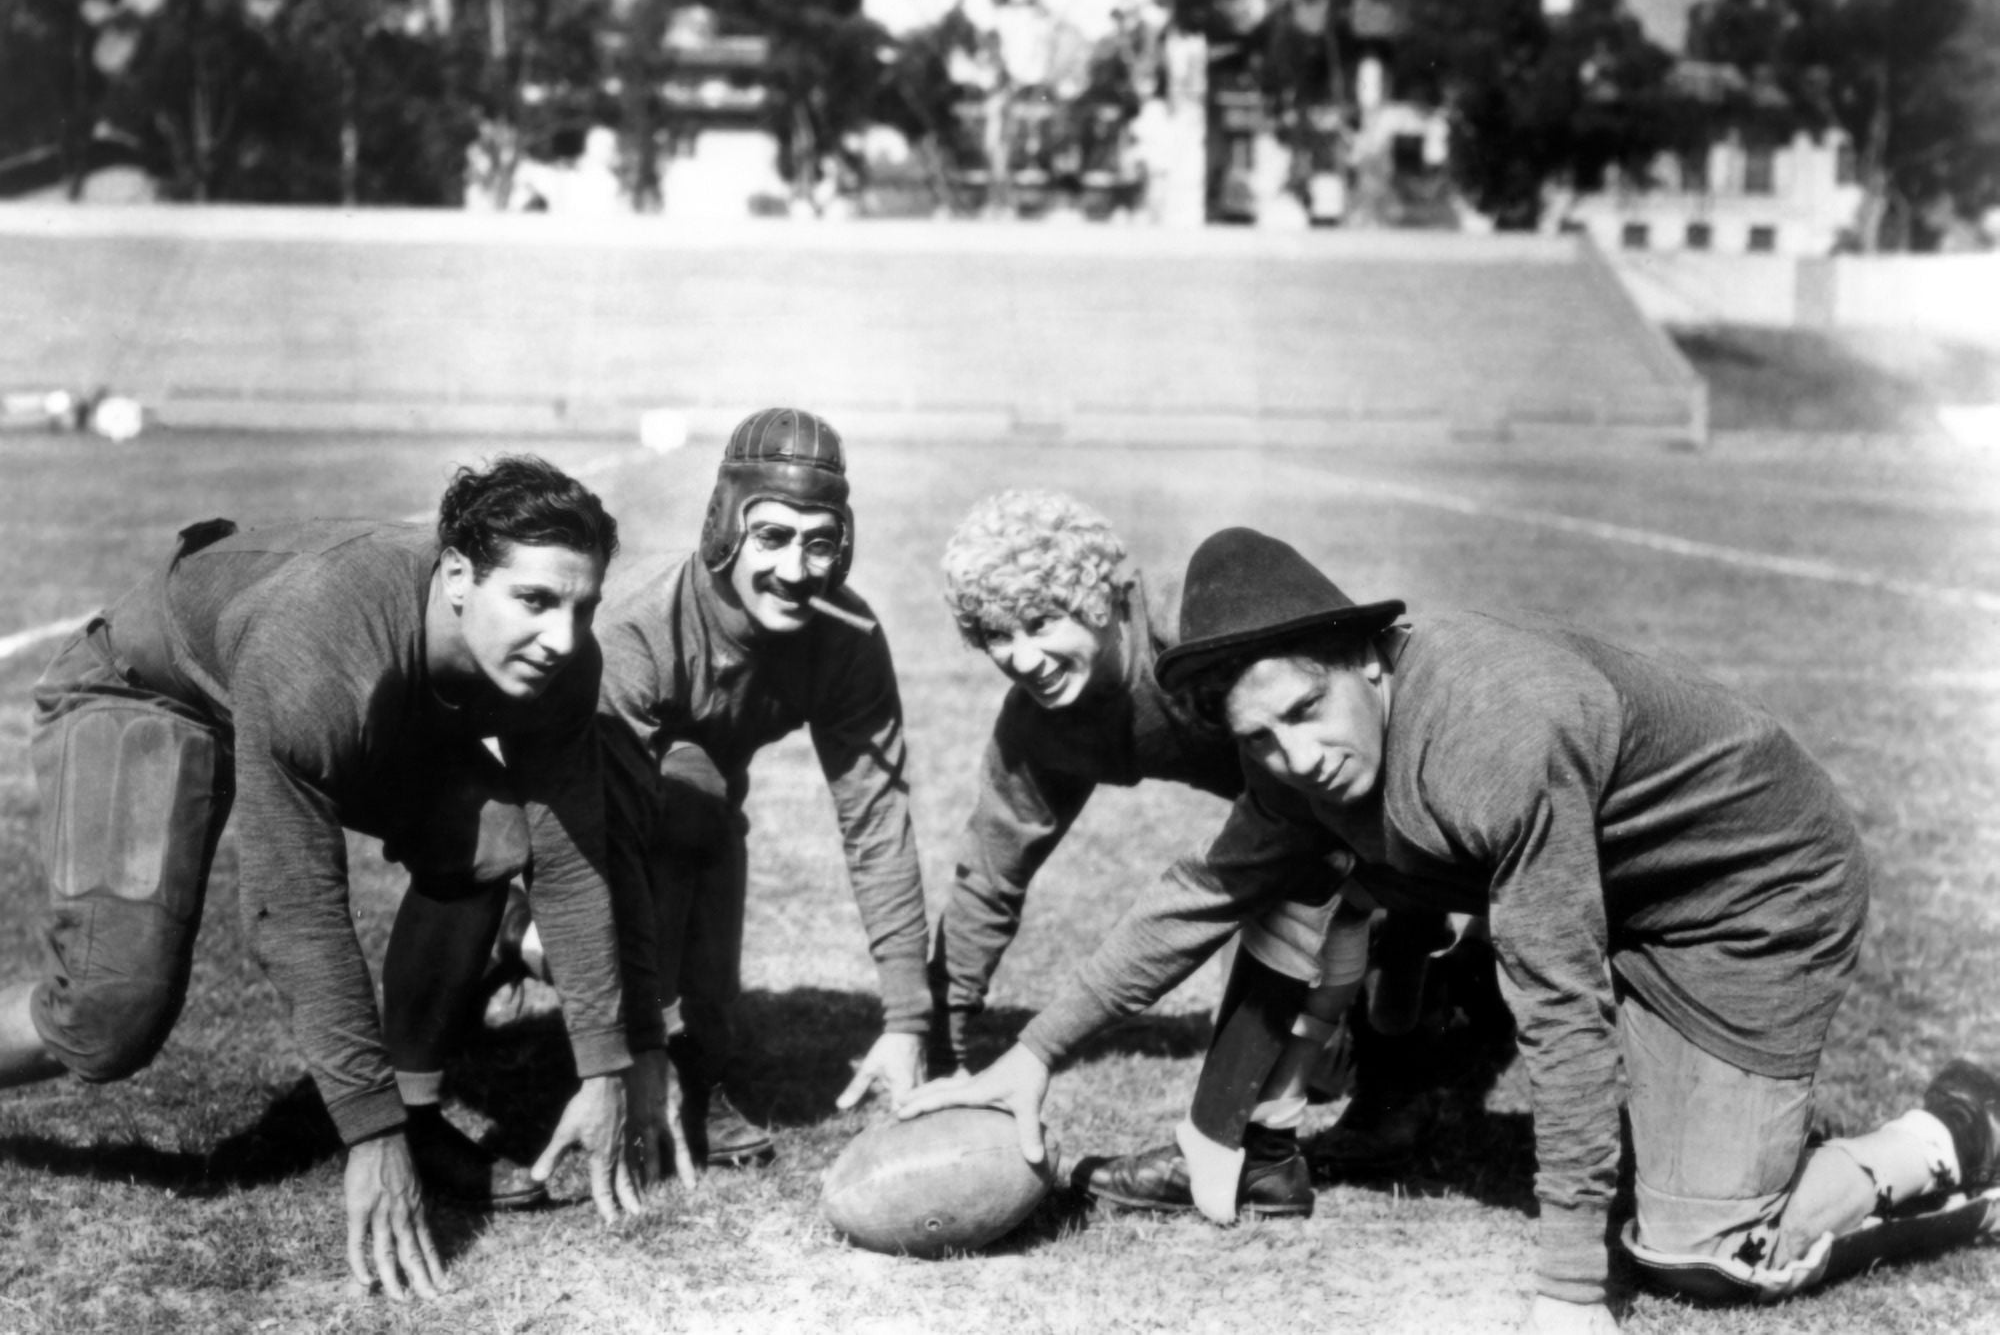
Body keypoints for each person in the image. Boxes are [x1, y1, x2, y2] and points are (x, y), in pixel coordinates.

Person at [903, 525, 2000, 1331]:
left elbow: (1562, 1015)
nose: (1295, 756)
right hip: (1600, 880)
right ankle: (1408, 1099)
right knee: (1387, 919)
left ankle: (1947, 1138)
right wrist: (1031, 1056)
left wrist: (1568, 1290)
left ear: (1367, 659)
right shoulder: (1292, 759)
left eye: (1304, 711)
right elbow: (1190, 899)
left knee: (1696, 1254)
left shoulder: (1492, 736)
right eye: (1260, 738)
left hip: (1744, 896)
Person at [0, 456, 646, 1303]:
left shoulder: (560, 659)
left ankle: (417, 1105)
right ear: (458, 576)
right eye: (534, 601)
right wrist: (363, 1134)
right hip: (152, 694)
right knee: (107, 1017)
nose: (564, 638)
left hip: (336, 697)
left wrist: (604, 1068)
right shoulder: (319, 650)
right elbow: (293, 904)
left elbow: (568, 852)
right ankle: (392, 1121)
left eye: (583, 605)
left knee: (492, 837)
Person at [930, 489, 1471, 1219]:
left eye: (1040, 621)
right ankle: (1309, 1115)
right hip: (1293, 820)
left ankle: (1364, 1091)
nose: (1023, 656)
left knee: (1307, 894)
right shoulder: (1040, 724)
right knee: (1290, 893)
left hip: (1392, 792)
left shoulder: (1204, 632)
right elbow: (990, 874)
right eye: (998, 635)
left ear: (1104, 595)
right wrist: (939, 1042)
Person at [500, 407, 932, 1171]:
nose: (797, 571)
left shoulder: (845, 638)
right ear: (725, 527)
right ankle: (524, 935)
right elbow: (609, 843)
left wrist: (906, 1020)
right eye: (772, 537)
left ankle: (702, 1062)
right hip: (551, 792)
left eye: (821, 542)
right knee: (689, 793)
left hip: (693, 800)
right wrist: (642, 1044)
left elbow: (877, 821)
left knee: (706, 809)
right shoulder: (640, 631)